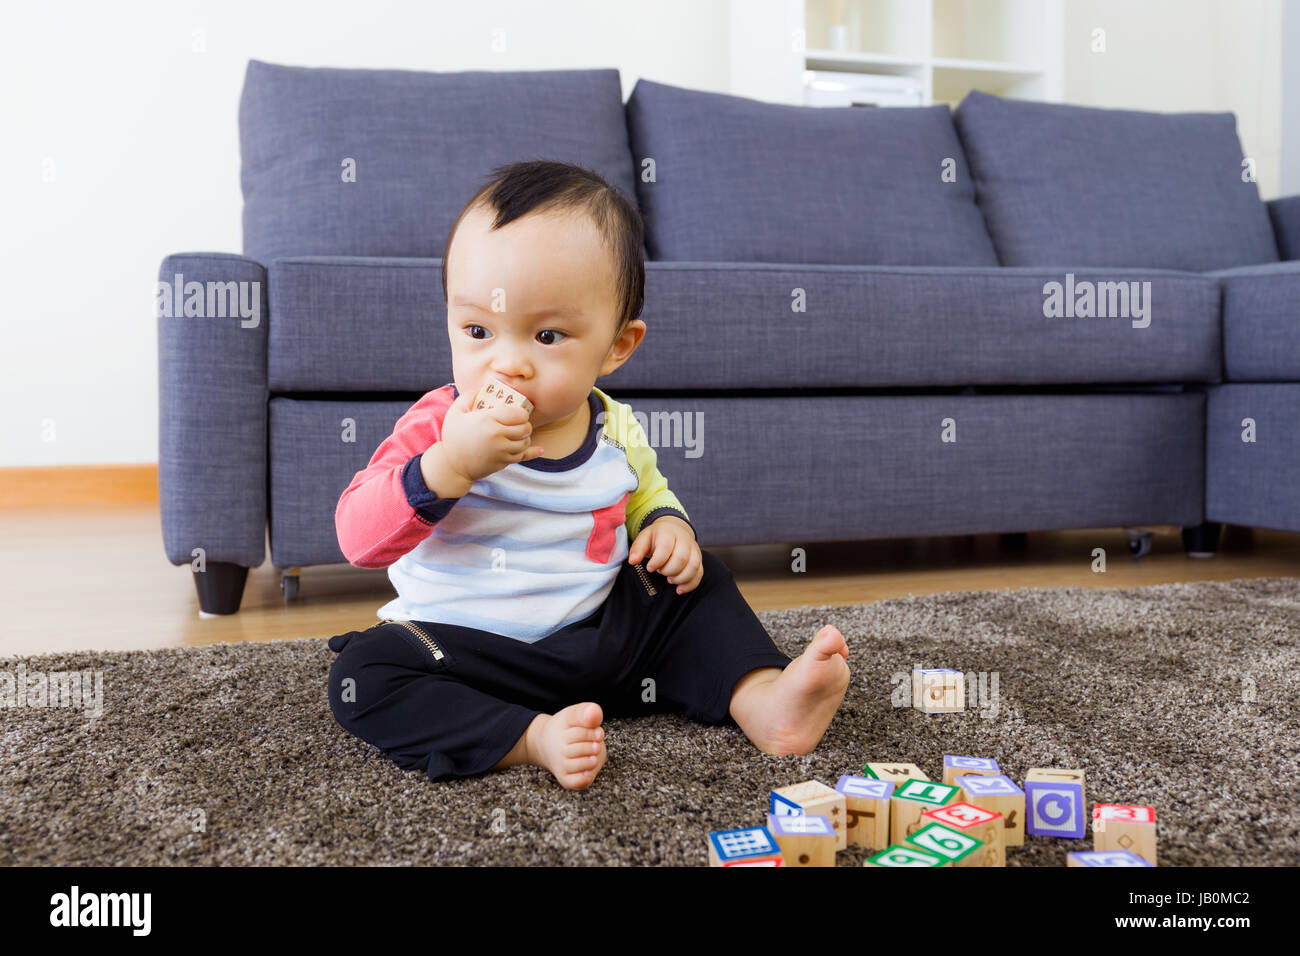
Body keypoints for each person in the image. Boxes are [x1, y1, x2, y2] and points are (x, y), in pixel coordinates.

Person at [327, 159, 850, 789]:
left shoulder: (614, 425)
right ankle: (526, 736)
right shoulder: (437, 425)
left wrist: (666, 526)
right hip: (470, 653)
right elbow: (358, 538)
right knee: (366, 676)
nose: (508, 363)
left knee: (699, 581)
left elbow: (646, 493)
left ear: (616, 346)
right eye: (477, 330)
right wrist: (447, 467)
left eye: (546, 335)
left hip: (605, 638)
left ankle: (764, 698)